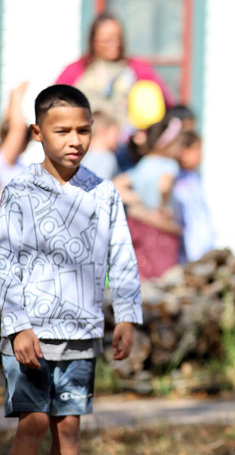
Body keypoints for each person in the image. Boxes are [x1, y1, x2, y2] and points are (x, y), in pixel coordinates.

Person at [0, 85, 142, 454]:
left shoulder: (103, 193)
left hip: (80, 335)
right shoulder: (18, 192)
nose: (74, 140)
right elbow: (4, 261)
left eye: (83, 130)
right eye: (62, 131)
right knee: (31, 425)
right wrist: (17, 327)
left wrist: (126, 315)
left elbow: (122, 255)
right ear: (37, 134)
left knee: (69, 431)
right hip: (30, 336)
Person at [55, 12, 173, 131]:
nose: (114, 45)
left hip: (126, 142)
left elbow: (165, 101)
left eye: (119, 39)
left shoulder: (137, 69)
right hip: (87, 141)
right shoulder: (78, 69)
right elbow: (53, 103)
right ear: (93, 41)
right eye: (107, 40)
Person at [115, 116, 183, 279]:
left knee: (140, 274)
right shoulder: (169, 165)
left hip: (137, 225)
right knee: (162, 275)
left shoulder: (143, 164)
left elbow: (116, 185)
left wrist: (137, 200)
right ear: (167, 143)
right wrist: (162, 206)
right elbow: (165, 185)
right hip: (161, 229)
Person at [173, 130, 215, 263]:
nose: (200, 156)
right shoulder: (175, 179)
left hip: (203, 246)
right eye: (197, 151)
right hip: (186, 249)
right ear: (184, 152)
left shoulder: (194, 177)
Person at [0, 82, 32, 190]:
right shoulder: (5, 159)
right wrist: (16, 96)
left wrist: (12, 99)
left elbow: (6, 125)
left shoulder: (10, 160)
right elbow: (18, 129)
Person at [81, 110, 120, 180]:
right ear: (103, 131)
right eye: (115, 135)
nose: (118, 140)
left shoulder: (81, 152)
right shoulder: (107, 158)